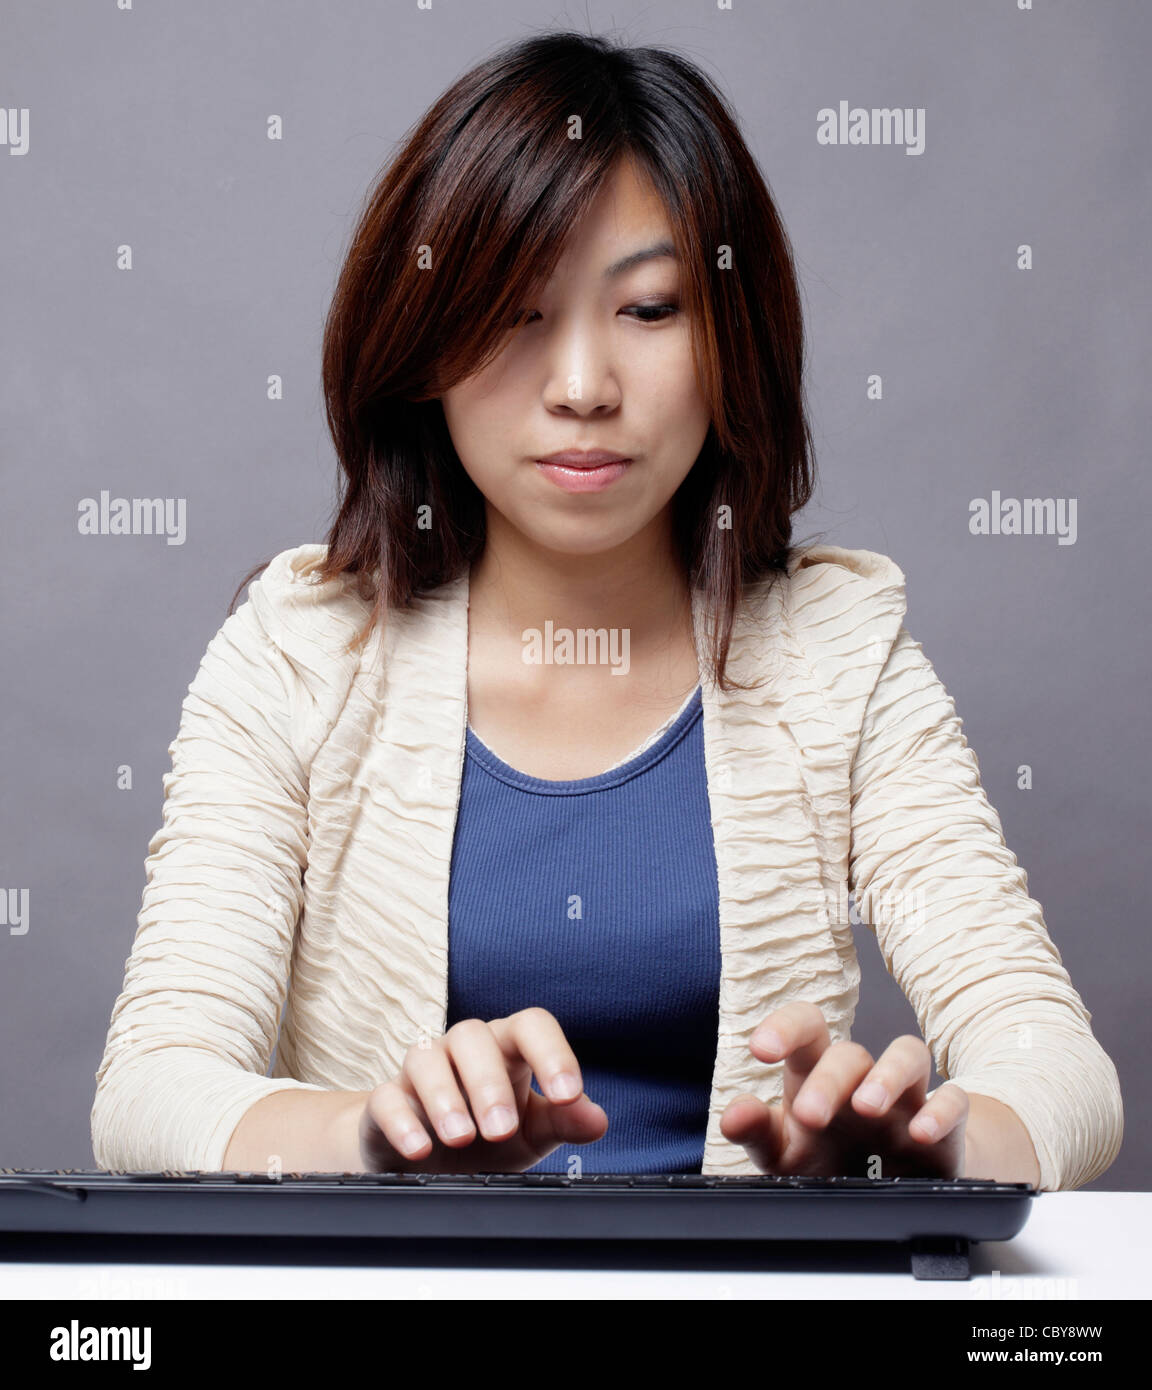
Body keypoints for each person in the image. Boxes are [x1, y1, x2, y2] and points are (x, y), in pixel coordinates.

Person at [91, 31, 1122, 1190]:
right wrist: (367, 1137)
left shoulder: (841, 656)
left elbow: (1057, 1064)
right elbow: (152, 1084)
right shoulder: (296, 659)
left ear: (734, 337)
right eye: (519, 312)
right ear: (422, 344)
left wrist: (933, 1152)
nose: (584, 385)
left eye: (650, 308)